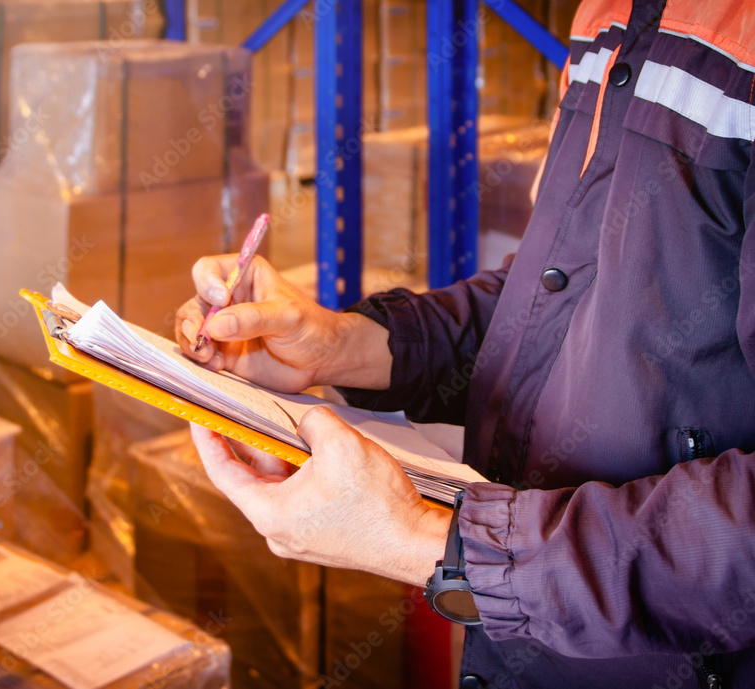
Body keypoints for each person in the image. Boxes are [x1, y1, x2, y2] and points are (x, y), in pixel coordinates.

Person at [176, 0, 755, 687]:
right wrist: (342, 344)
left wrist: (430, 543)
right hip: (527, 648)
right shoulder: (609, 17)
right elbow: (560, 297)